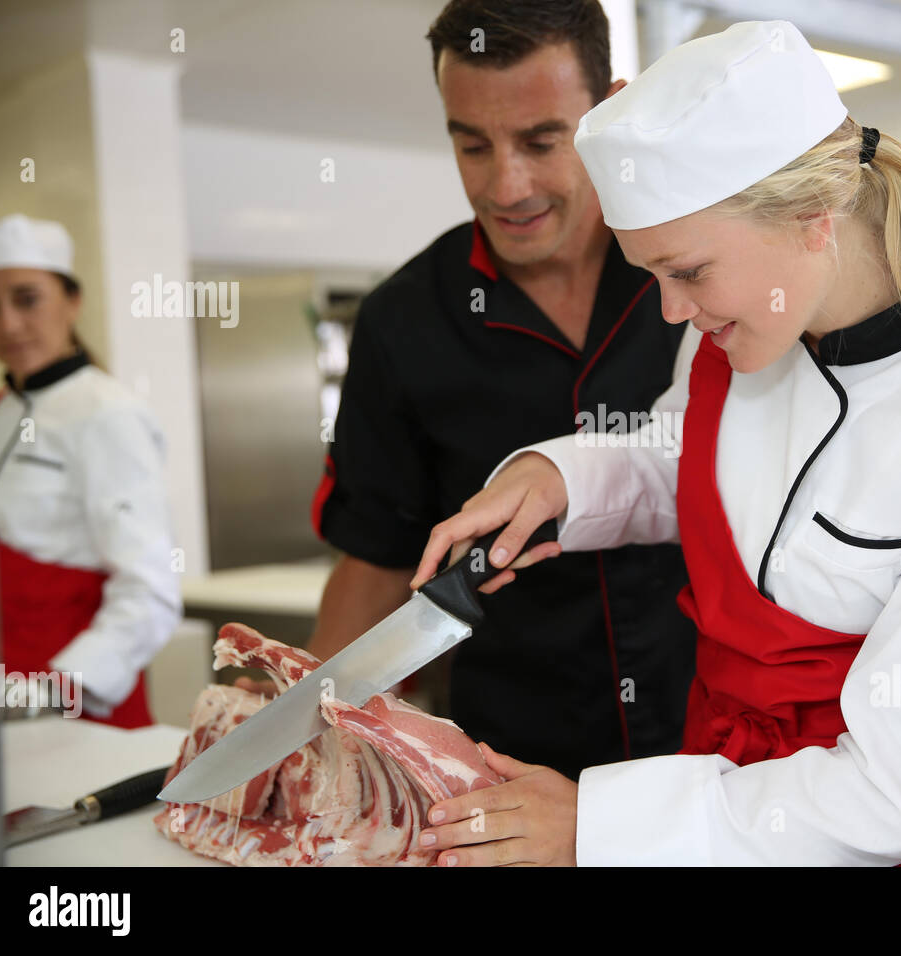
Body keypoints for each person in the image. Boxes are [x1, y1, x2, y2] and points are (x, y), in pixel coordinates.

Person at [409, 19, 901, 866]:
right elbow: (678, 461)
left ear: (814, 218)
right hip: (716, 788)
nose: (672, 311)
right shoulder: (736, 337)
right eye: (653, 278)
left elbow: (892, 792)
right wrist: (556, 478)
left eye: (688, 272)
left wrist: (600, 827)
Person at [295, 0, 699, 780]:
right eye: (472, 145)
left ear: (608, 110)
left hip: (716, 739)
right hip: (513, 760)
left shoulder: (693, 264)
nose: (507, 185)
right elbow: (376, 559)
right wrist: (301, 724)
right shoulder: (403, 321)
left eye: (542, 141)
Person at [0, 214, 180, 728]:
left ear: (73, 301)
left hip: (79, 702)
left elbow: (151, 591)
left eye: (27, 299)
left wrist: (57, 690)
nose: (7, 324)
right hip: (2, 688)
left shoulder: (107, 414)